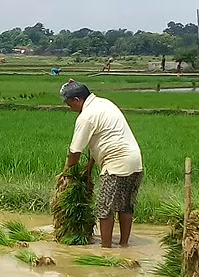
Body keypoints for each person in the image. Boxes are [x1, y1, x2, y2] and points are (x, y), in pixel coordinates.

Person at [59, 80, 144, 248]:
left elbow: (74, 151)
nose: (70, 108)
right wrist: (89, 169)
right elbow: (100, 141)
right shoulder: (105, 104)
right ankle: (124, 245)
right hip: (135, 160)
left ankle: (106, 250)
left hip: (116, 164)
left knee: (105, 208)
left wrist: (67, 173)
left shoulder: (86, 116)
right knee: (125, 206)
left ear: (77, 99)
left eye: (70, 104)